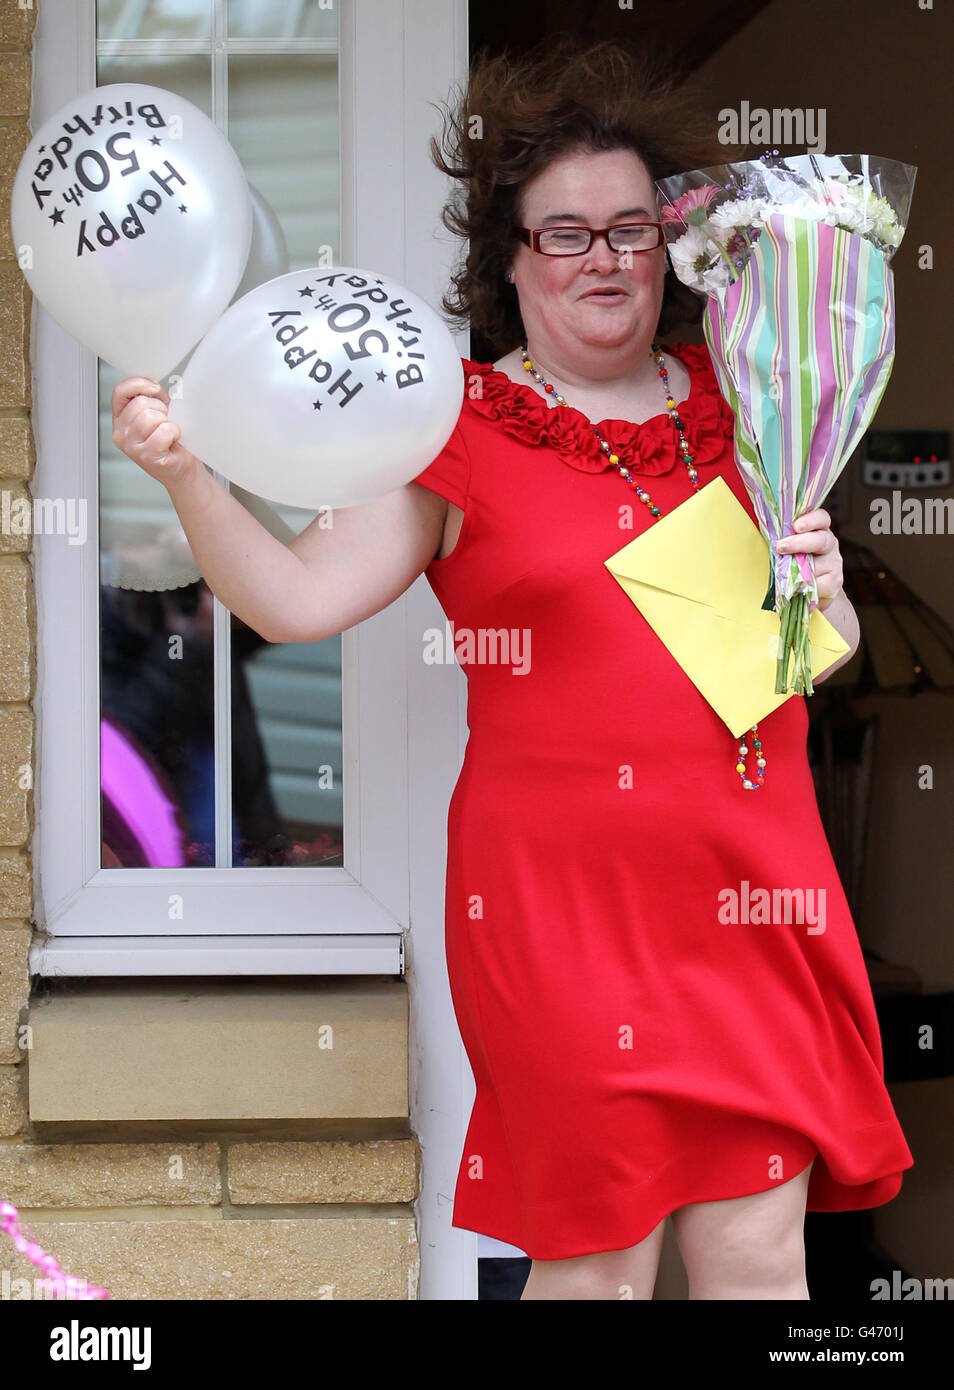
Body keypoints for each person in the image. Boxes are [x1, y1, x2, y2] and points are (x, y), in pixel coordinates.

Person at [111, 38, 914, 1300]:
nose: (604, 257)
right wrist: (187, 475)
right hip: (560, 912)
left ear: (673, 248)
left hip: (752, 891)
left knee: (757, 1252)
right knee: (595, 1261)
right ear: (512, 261)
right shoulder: (459, 429)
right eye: (566, 233)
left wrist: (827, 604)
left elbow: (805, 654)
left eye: (632, 229)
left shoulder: (760, 401)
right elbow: (299, 597)